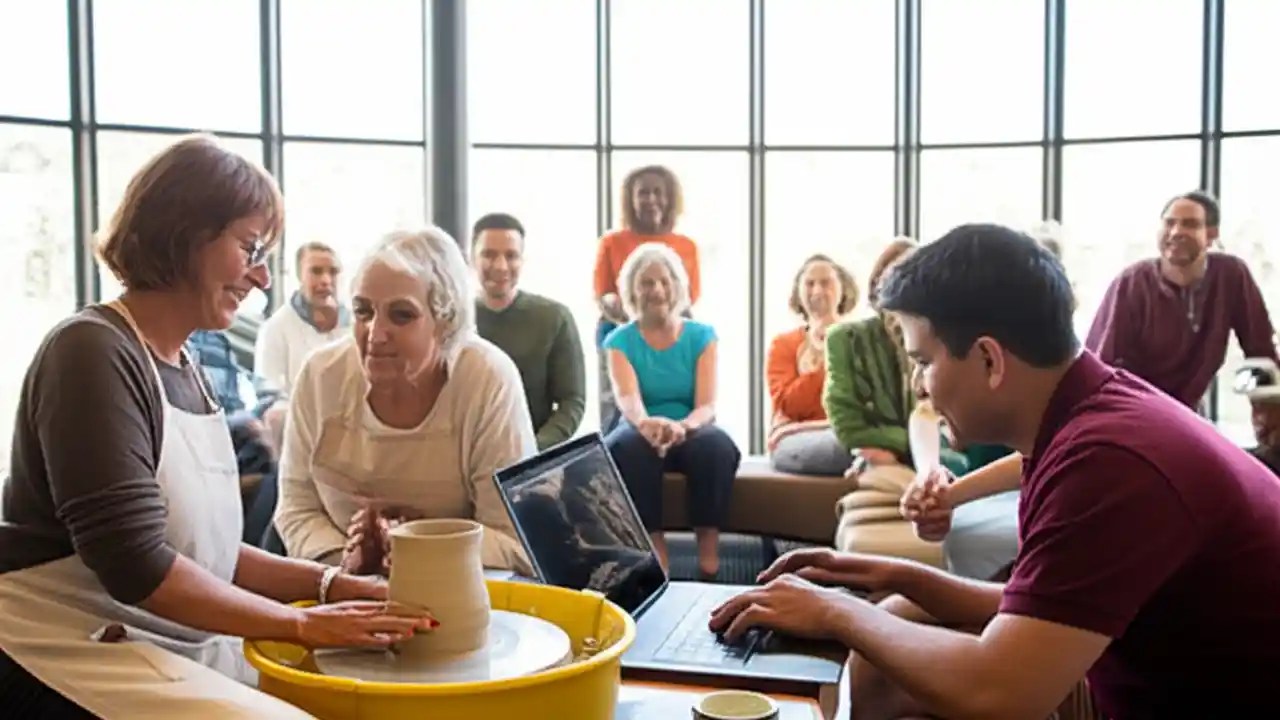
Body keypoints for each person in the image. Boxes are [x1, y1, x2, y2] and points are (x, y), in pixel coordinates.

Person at [711, 223, 1280, 718]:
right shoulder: (1096, 416)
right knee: (904, 615)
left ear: (988, 359)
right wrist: (895, 576)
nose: (919, 385)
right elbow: (1039, 603)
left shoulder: (1110, 465)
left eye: (923, 362)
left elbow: (1000, 691)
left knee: (891, 666)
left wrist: (837, 612)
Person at [0, 135, 429, 718]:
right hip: (66, 640)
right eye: (249, 248)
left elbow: (209, 550)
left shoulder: (184, 363)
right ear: (185, 233)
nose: (261, 279)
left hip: (161, 635)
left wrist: (332, 586)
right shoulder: (92, 352)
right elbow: (139, 567)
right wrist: (301, 622)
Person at [273, 226, 536, 576]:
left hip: (456, 587)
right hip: (337, 585)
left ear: (446, 322)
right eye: (363, 311)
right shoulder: (321, 375)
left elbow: (513, 537)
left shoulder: (487, 378)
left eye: (401, 315)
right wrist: (347, 565)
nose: (375, 334)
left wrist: (413, 544)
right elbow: (296, 508)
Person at [603, 242, 740, 579]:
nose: (657, 290)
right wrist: (646, 423)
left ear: (677, 287)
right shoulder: (619, 340)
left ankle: (708, 550)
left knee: (718, 447)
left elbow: (707, 404)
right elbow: (627, 397)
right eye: (647, 283)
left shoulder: (702, 335)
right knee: (623, 448)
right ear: (633, 289)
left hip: (690, 425)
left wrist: (684, 426)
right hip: (642, 424)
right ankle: (656, 549)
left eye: (664, 281)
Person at [1086, 191, 1278, 412]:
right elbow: (1103, 366)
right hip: (1134, 409)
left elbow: (1261, 349)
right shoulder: (1131, 283)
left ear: (1211, 234)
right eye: (1169, 223)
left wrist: (1269, 408)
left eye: (1190, 224)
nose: (1176, 232)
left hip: (1189, 410)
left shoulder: (1231, 275)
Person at [593, 165, 701, 432]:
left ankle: (685, 426)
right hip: (620, 324)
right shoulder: (612, 242)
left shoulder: (686, 245)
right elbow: (601, 293)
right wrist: (629, 314)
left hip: (672, 326)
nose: (650, 199)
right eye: (643, 193)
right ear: (631, 199)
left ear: (669, 199)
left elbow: (691, 296)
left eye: (657, 193)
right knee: (608, 335)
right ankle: (615, 433)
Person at [472, 212, 586, 450]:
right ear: (472, 258)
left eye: (511, 256)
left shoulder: (555, 318)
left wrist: (534, 450)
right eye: (489, 255)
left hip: (534, 453)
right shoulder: (451, 320)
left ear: (522, 261)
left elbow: (571, 402)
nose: (501, 266)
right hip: (466, 452)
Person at [765, 254, 859, 475]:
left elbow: (861, 407)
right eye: (809, 284)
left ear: (842, 288)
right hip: (798, 438)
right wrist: (825, 363)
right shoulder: (784, 344)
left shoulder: (860, 340)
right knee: (845, 449)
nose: (817, 291)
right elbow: (789, 405)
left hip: (847, 432)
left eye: (826, 282)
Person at [254, 240, 350, 396]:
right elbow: (268, 387)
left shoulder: (356, 325)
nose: (326, 281)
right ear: (299, 276)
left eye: (333, 272)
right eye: (316, 271)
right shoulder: (276, 328)